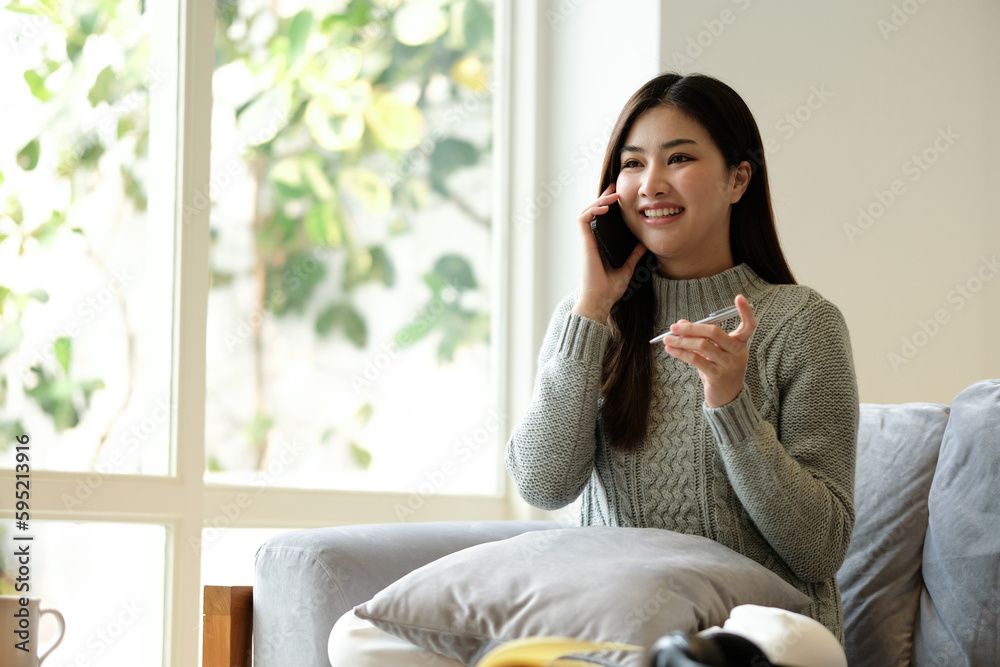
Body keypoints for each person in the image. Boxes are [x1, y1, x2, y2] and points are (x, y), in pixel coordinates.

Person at [505, 72, 859, 643]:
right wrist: (593, 307)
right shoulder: (589, 319)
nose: (651, 184)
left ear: (738, 179)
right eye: (632, 163)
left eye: (679, 159)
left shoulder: (802, 323)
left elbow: (818, 550)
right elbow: (544, 485)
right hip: (616, 630)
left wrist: (732, 405)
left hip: (759, 640)